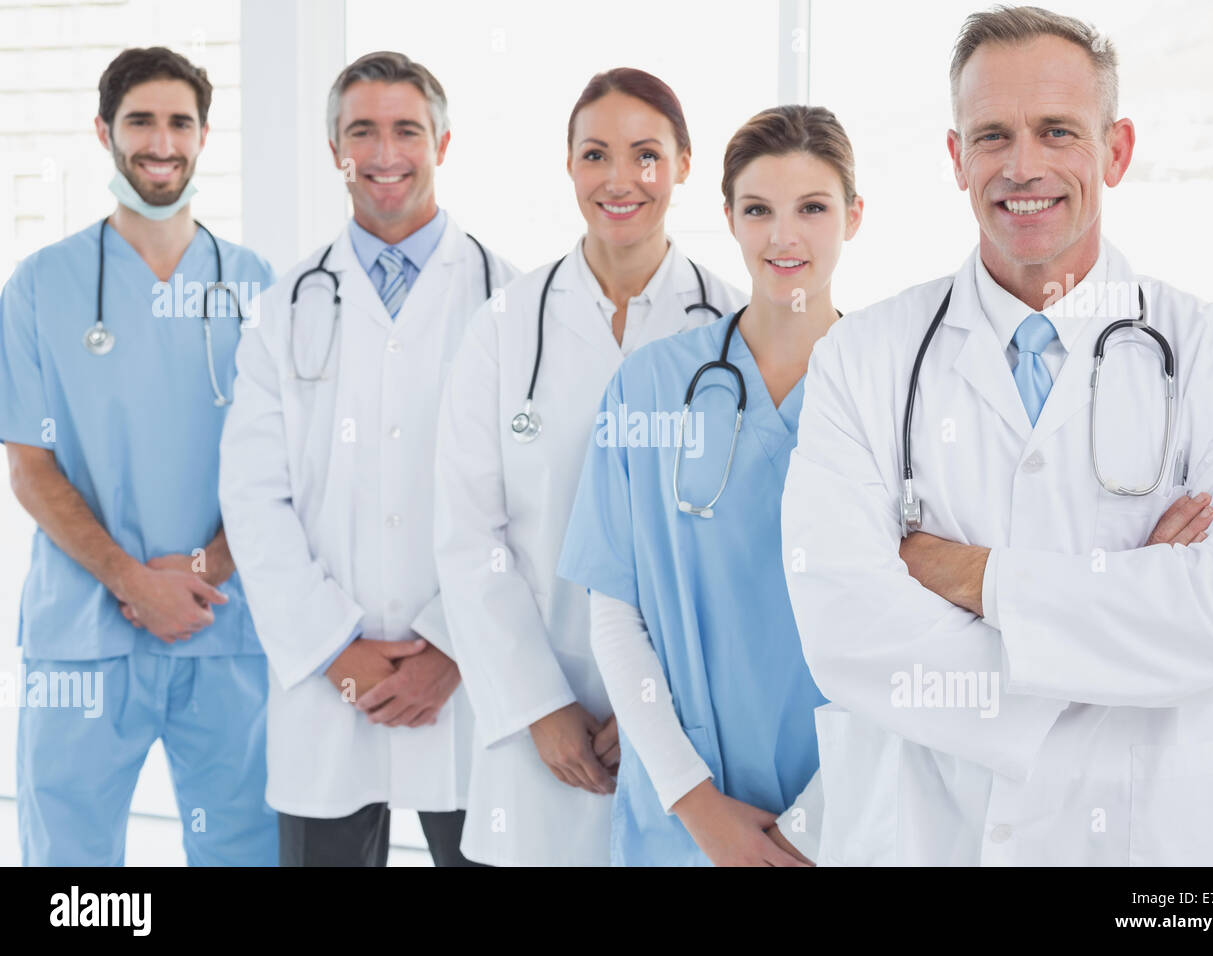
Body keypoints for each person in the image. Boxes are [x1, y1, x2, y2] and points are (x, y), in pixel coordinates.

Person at [782, 5, 1213, 866]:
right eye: (992, 135)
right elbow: (842, 626)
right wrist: (1122, 627)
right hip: (926, 837)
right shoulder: (862, 361)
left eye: (1058, 130)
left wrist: (966, 574)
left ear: (1117, 150)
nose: (1024, 167)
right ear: (955, 158)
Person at [434, 68, 744, 867]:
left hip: (691, 718)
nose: (620, 179)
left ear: (681, 165)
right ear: (569, 166)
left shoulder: (736, 328)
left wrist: (653, 705)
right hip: (542, 721)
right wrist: (540, 705)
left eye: (646, 155)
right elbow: (470, 537)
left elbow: (740, 549)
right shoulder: (503, 331)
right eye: (595, 154)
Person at [218, 51, 518, 867]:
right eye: (363, 131)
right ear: (335, 151)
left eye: (407, 130)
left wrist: (451, 646)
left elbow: (535, 498)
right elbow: (252, 499)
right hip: (328, 688)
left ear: (443, 144)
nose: (386, 153)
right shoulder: (283, 307)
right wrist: (332, 649)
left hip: (468, 682)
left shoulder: (512, 303)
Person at [557, 105, 863, 866]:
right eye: (758, 209)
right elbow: (615, 617)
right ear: (728, 217)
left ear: (853, 217)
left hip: (849, 812)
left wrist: (810, 827)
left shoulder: (889, 395)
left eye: (813, 208)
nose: (783, 237)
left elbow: (918, 630)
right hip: (683, 820)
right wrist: (698, 809)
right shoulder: (649, 389)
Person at [0, 47, 277, 866]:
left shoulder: (256, 286)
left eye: (180, 122)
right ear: (103, 132)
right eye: (140, 121)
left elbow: (281, 469)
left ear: (203, 134)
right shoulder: (40, 286)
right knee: (74, 882)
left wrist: (202, 570)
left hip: (224, 627)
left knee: (245, 852)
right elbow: (30, 465)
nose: (162, 141)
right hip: (85, 635)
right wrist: (135, 582)